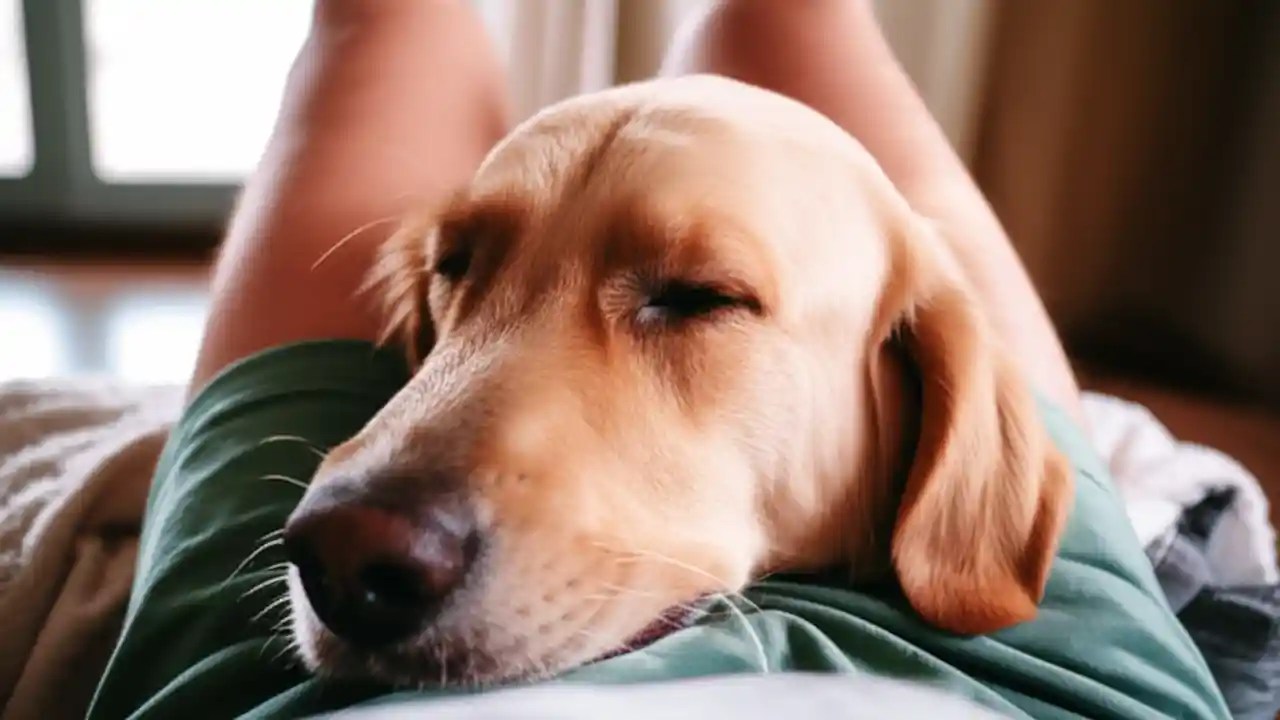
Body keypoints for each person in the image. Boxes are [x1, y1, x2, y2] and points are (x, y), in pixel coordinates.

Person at [86, 2, 1228, 718]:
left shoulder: (934, 347)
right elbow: (993, 574)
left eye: (691, 298)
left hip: (263, 698)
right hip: (1029, 680)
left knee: (379, 24)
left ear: (924, 392)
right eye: (460, 270)